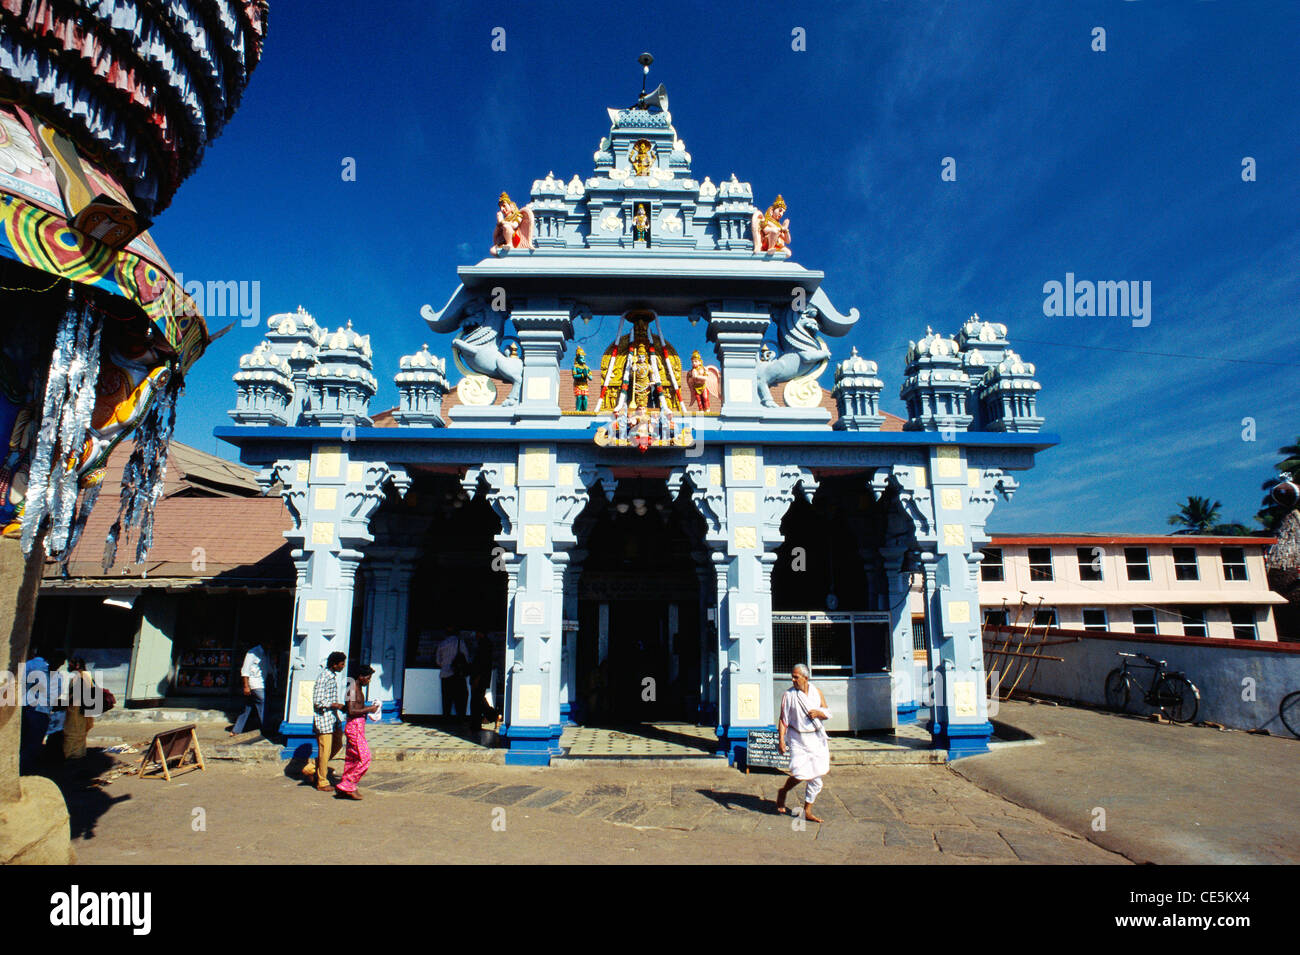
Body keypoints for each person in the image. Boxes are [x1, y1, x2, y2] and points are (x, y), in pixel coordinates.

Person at [776, 663, 832, 823]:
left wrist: (819, 713)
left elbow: (827, 711)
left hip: (816, 738)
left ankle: (807, 809)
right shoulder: (789, 695)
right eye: (792, 677)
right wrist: (781, 740)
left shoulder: (816, 692)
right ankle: (783, 791)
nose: (793, 680)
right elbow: (783, 719)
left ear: (805, 678)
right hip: (797, 738)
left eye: (796, 677)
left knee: (816, 777)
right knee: (800, 773)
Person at [301, 652, 346, 792]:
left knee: (337, 744)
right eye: (341, 664)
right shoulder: (323, 678)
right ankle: (322, 781)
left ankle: (312, 767)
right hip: (324, 719)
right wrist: (335, 705)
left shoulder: (332, 677)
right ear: (334, 664)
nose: (343, 666)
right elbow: (318, 701)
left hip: (333, 719)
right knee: (325, 751)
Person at [335, 665, 380, 800]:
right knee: (364, 758)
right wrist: (370, 709)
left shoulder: (357, 688)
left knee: (352, 759)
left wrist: (369, 708)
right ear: (360, 676)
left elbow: (354, 707)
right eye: (368, 678)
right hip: (354, 727)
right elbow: (351, 711)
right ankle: (348, 785)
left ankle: (346, 786)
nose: (369, 680)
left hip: (357, 726)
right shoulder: (352, 689)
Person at [18, 648, 51, 774]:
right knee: (34, 740)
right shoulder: (46, 667)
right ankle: (27, 769)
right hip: (39, 708)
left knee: (24, 739)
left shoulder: (27, 665)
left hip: (25, 706)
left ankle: (20, 766)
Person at [231, 642, 275, 736]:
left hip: (261, 683)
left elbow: (269, 669)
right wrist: (246, 686)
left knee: (248, 706)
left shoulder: (267, 653)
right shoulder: (252, 653)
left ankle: (236, 730)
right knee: (263, 704)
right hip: (254, 684)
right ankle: (266, 729)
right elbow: (245, 670)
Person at [61, 658, 96, 761]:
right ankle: (79, 754)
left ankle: (72, 755)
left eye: (70, 664)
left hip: (76, 709)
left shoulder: (78, 677)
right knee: (80, 731)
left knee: (72, 732)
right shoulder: (87, 675)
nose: (68, 666)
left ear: (76, 665)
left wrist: (64, 703)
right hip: (83, 708)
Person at [436, 632, 470, 719]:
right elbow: (466, 658)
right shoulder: (460, 642)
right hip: (458, 675)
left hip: (445, 675)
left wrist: (445, 665)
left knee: (446, 700)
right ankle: (460, 719)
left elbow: (438, 661)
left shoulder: (442, 643)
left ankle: (446, 718)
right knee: (460, 700)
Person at [469, 632, 497, 726]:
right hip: (482, 678)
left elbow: (481, 664)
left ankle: (480, 720)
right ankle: (492, 715)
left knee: (476, 700)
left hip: (479, 678)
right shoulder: (486, 644)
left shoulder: (483, 645)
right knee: (479, 699)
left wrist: (476, 678)